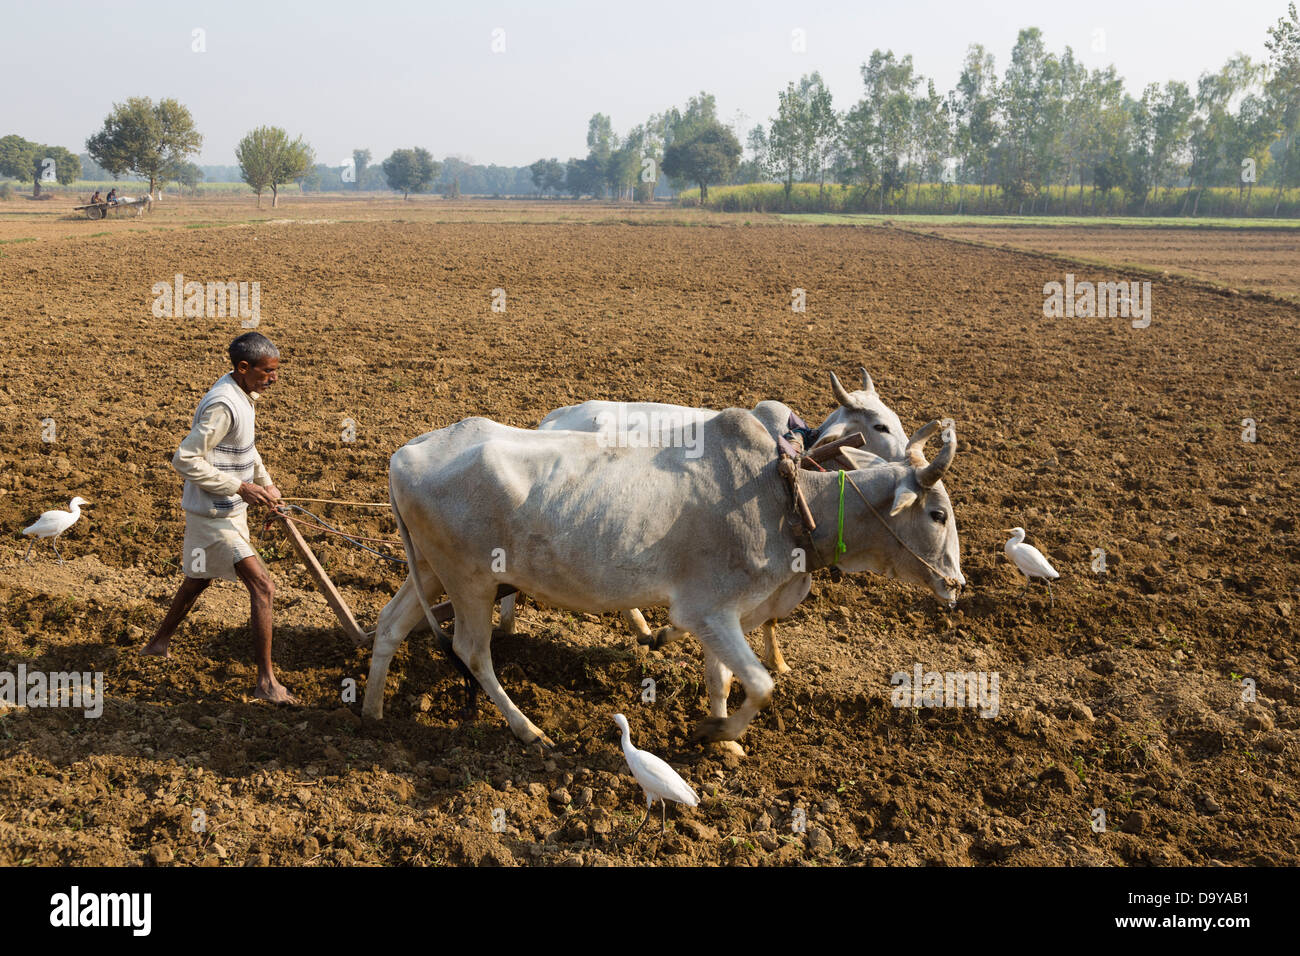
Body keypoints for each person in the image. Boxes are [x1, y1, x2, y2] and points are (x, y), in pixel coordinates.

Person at [142, 332, 296, 703]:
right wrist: (239, 488)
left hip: (228, 509)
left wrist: (266, 485)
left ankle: (157, 644)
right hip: (213, 514)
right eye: (267, 371)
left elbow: (245, 447)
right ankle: (266, 683)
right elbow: (185, 459)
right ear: (243, 368)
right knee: (263, 587)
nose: (273, 378)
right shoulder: (223, 405)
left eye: (276, 370)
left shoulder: (243, 395)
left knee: (198, 578)